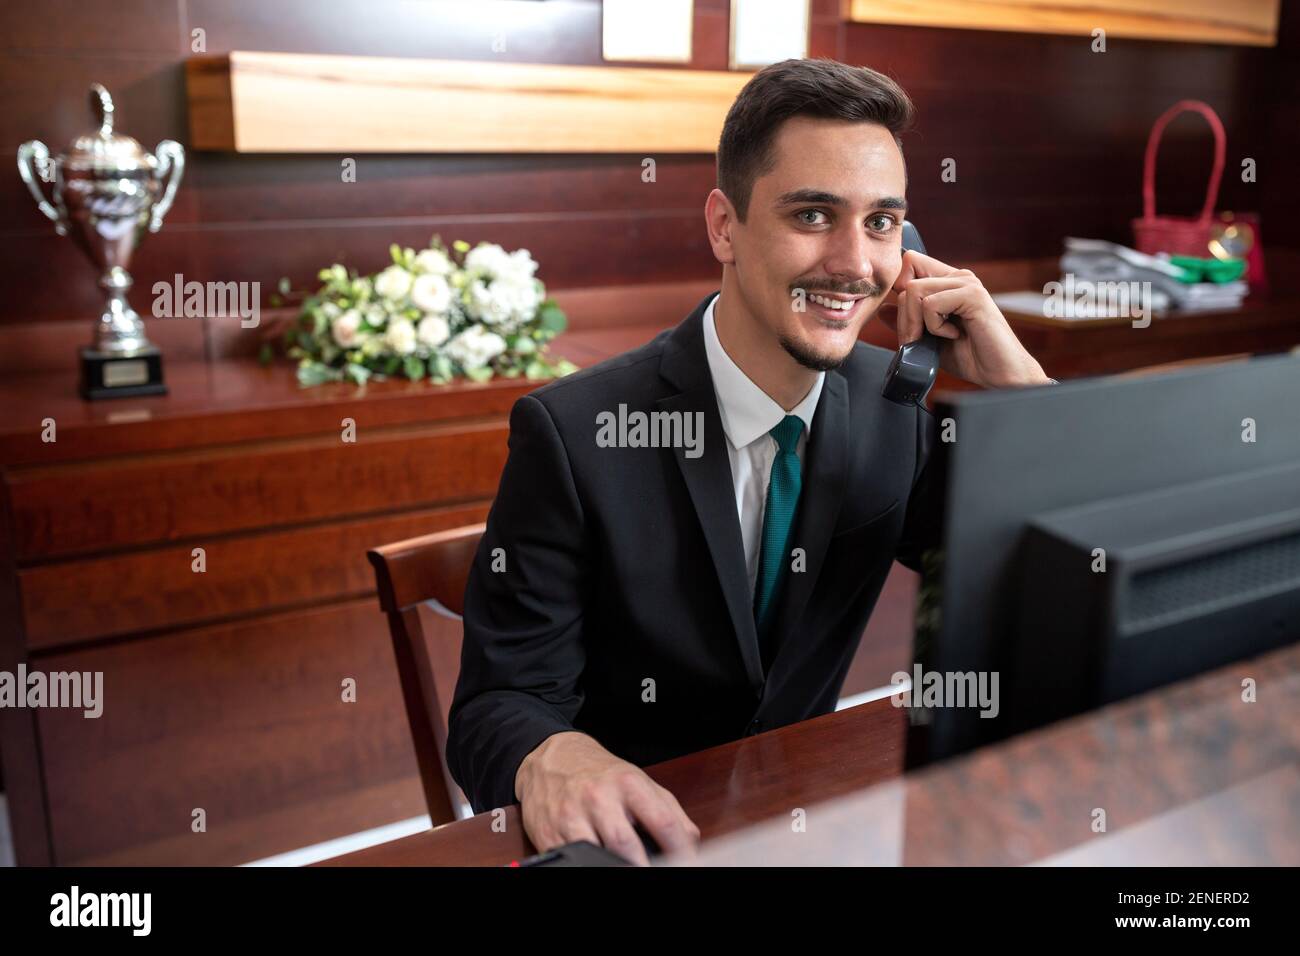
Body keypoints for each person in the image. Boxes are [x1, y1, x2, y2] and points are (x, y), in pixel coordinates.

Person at [446, 58, 1051, 866]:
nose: (854, 264)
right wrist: (556, 755)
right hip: (641, 839)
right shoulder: (577, 432)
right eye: (812, 215)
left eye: (880, 223)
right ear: (724, 226)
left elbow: (1053, 570)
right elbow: (497, 704)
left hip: (805, 827)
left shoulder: (895, 408)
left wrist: (1022, 387)